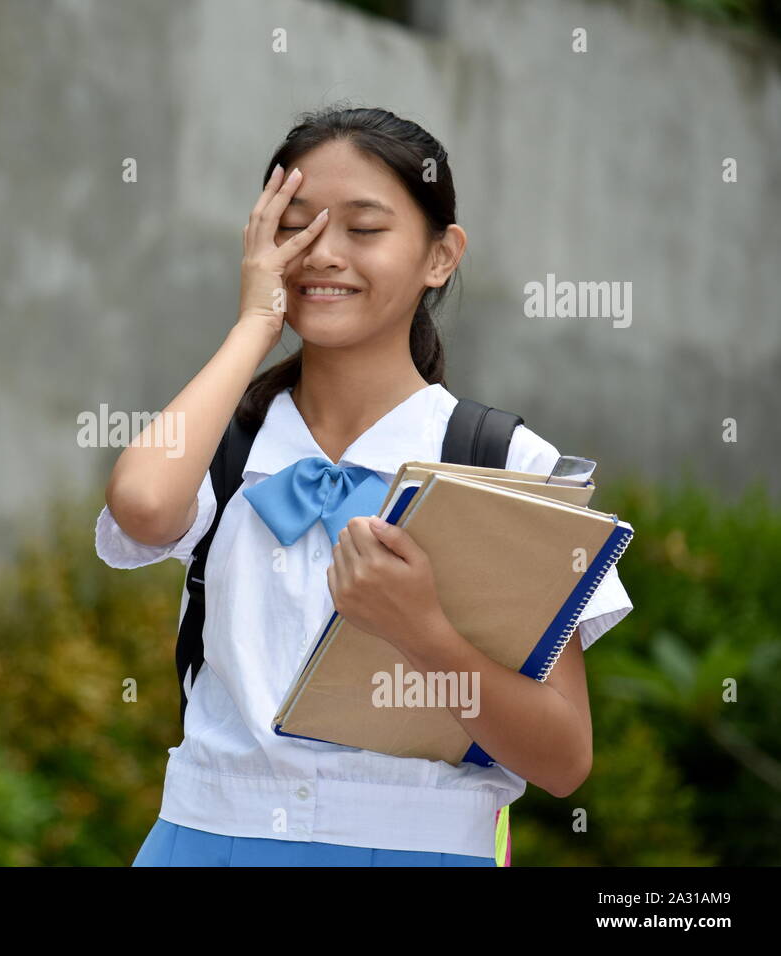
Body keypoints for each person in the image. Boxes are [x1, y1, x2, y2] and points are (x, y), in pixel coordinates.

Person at [95, 105, 633, 867]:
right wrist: (256, 323)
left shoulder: (509, 463)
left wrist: (423, 633)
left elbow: (563, 758)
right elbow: (144, 507)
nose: (324, 254)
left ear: (441, 255)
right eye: (298, 225)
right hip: (205, 840)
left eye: (364, 228)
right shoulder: (224, 437)